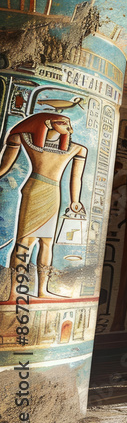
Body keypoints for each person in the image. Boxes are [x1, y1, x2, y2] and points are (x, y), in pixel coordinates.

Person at [0, 112, 88, 299]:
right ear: (48, 123)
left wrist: (75, 201)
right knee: (24, 243)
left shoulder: (77, 149)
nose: (69, 129)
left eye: (69, 125)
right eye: (64, 123)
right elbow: (4, 167)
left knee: (46, 243)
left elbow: (76, 177)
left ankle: (42, 290)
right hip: (33, 191)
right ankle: (15, 290)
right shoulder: (23, 138)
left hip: (53, 195)